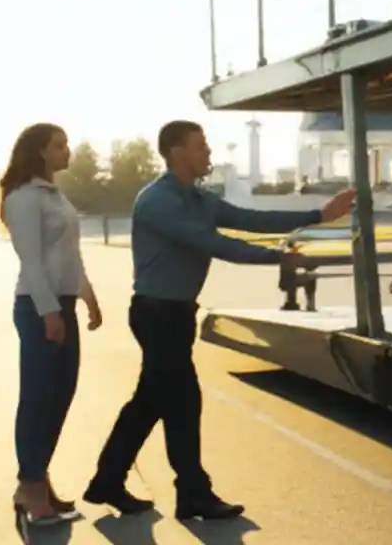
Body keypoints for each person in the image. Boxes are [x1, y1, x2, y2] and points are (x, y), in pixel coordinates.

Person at [83, 120, 355, 520]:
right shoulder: (158, 201)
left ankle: (110, 481)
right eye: (200, 146)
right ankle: (190, 492)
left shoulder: (201, 199)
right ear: (176, 153)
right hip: (156, 315)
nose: (208, 153)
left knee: (154, 401)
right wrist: (276, 258)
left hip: (177, 315)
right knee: (181, 401)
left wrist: (319, 214)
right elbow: (212, 243)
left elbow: (251, 219)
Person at [1, 123, 104, 529]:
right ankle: (31, 487)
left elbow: (69, 256)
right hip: (37, 306)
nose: (68, 151)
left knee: (60, 396)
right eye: (60, 145)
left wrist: (88, 297)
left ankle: (36, 480)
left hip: (62, 304)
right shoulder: (25, 197)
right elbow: (31, 259)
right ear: (41, 151)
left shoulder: (55, 195)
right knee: (38, 398)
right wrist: (48, 313)